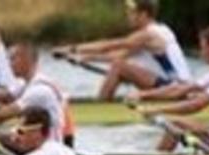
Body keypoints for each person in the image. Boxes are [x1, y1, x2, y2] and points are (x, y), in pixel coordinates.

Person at [129, 24, 209, 152]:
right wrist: (144, 94)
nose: (201, 52)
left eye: (204, 47)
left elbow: (196, 106)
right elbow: (180, 89)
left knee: (175, 124)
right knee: (178, 124)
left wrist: (157, 110)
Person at [53, 0, 191, 101]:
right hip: (174, 87)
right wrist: (85, 58)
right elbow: (117, 55)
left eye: (132, 13)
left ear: (143, 14)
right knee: (119, 65)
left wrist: (72, 49)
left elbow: (109, 45)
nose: (128, 17)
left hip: (175, 89)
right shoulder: (160, 30)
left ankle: (100, 108)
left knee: (118, 66)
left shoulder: (149, 34)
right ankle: (103, 103)